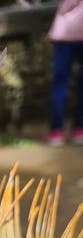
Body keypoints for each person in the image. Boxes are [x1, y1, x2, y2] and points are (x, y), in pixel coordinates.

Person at [46, 0, 83, 145]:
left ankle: (57, 131)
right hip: (68, 35)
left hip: (63, 35)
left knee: (59, 85)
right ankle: (79, 129)